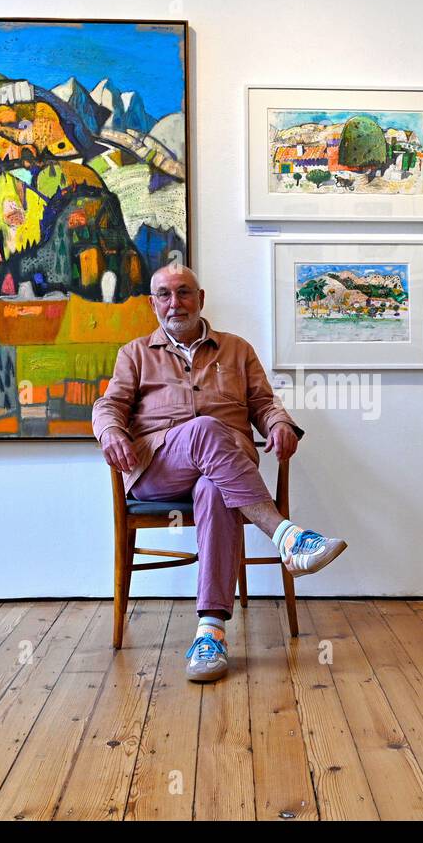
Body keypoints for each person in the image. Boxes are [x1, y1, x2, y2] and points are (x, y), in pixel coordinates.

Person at [91, 263, 348, 683]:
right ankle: (287, 536)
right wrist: (110, 433)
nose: (176, 303)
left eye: (184, 292)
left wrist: (281, 424)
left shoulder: (237, 349)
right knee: (208, 429)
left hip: (226, 469)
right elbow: (108, 405)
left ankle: (210, 633)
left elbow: (264, 403)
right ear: (153, 303)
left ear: (201, 298)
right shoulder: (134, 354)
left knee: (214, 488)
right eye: (165, 294)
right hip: (159, 468)